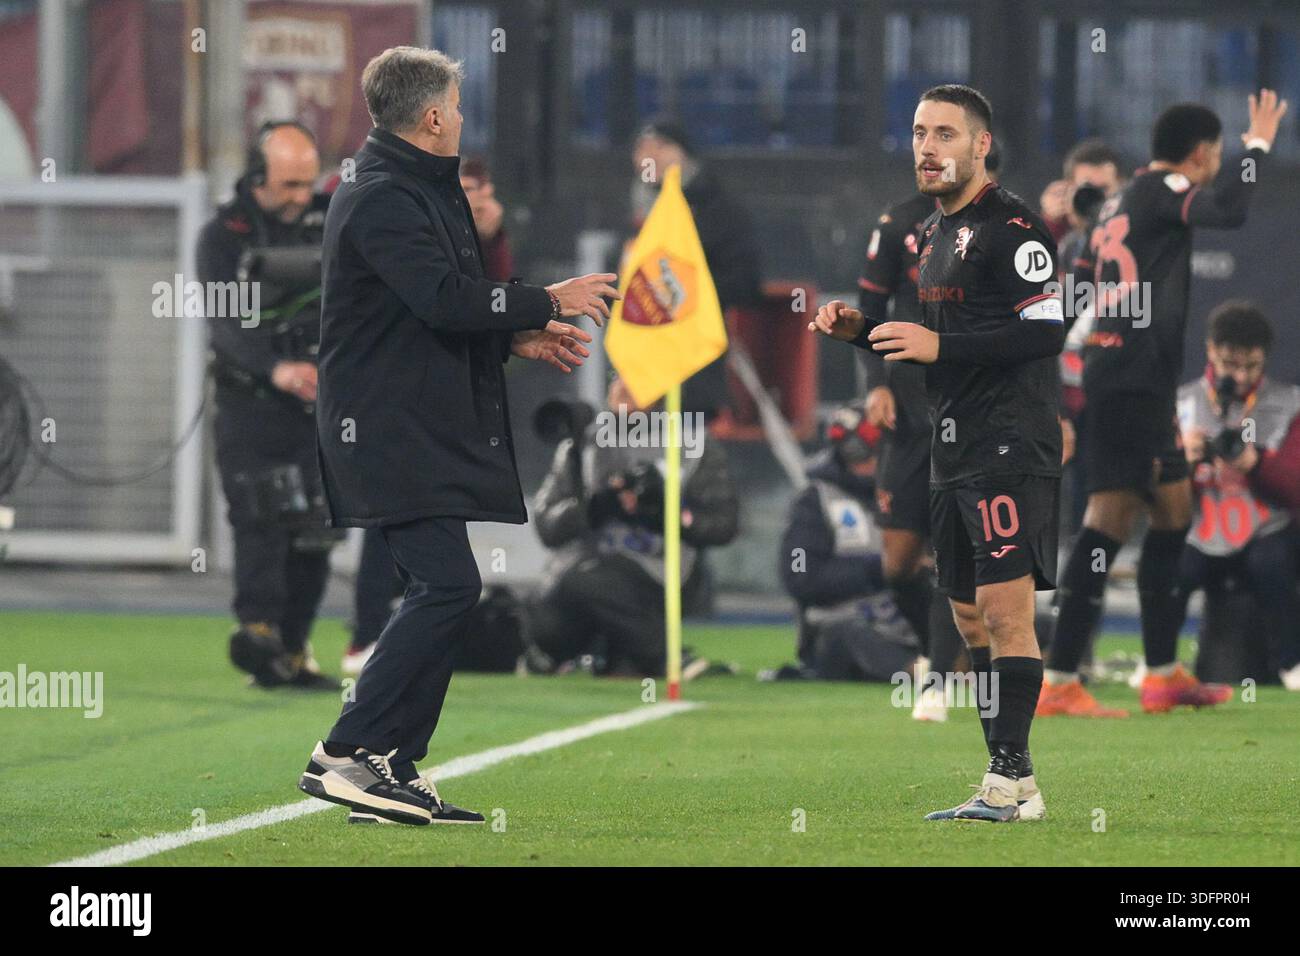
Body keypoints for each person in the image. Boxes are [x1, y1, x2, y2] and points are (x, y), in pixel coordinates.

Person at [296, 46, 619, 826]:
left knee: (449, 587)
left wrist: (512, 339)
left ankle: (390, 765)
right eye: (458, 105)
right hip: (385, 427)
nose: (464, 118)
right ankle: (347, 753)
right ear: (434, 116)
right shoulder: (379, 195)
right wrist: (545, 300)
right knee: (448, 586)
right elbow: (442, 298)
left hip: (411, 421)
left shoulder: (411, 188)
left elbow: (427, 310)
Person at [811, 84, 1065, 823]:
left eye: (945, 134)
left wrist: (940, 343)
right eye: (920, 132)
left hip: (1009, 438)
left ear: (981, 145)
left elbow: (1046, 330)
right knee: (966, 616)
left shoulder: (1014, 227)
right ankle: (1014, 786)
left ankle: (1007, 780)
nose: (928, 147)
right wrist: (862, 332)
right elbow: (933, 349)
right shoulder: (931, 233)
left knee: (1004, 609)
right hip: (948, 440)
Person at [1038, 90, 1289, 717]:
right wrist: (1258, 144)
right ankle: (1058, 677)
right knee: (1105, 524)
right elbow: (1229, 208)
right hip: (1128, 379)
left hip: (1131, 376)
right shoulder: (1162, 187)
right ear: (1202, 154)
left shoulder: (1119, 201)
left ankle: (1159, 671)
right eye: (1220, 153)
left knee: (1175, 514)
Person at [343, 156, 517, 678]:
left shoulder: (475, 232)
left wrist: (490, 240)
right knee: (395, 535)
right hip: (400, 407)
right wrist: (544, 304)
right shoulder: (401, 215)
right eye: (465, 188)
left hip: (450, 405)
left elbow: (492, 302)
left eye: (480, 188)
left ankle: (391, 646)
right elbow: (448, 299)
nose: (472, 198)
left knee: (438, 554)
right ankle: (366, 639)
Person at [854, 146, 1003, 719]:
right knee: (897, 560)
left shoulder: (1002, 230)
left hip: (965, 409)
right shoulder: (898, 223)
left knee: (951, 553)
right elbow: (868, 305)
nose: (931, 156)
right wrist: (875, 383)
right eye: (924, 141)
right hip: (908, 411)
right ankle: (943, 652)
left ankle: (940, 680)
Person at [197, 120, 338, 690]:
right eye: (287, 185)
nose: (300, 197)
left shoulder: (330, 219)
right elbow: (226, 327)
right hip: (251, 403)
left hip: (321, 403)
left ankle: (296, 649)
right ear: (257, 177)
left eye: (307, 184)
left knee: (317, 526)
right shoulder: (222, 236)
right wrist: (278, 368)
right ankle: (258, 635)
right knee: (260, 517)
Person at [522, 377, 739, 677]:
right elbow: (547, 525)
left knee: (591, 580)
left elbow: (723, 525)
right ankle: (599, 653)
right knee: (547, 620)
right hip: (582, 568)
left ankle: (664, 657)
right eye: (619, 379)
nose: (624, 388)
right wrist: (593, 507)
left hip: (661, 570)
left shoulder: (693, 446)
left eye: (638, 378)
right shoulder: (581, 445)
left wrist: (664, 514)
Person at [1174, 302, 1300, 690]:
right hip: (1203, 526)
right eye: (1231, 365)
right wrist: (1183, 460)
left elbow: (1295, 487)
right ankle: (1158, 662)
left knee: (1273, 565)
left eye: (1251, 366)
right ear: (1211, 350)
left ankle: (1292, 663)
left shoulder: (1288, 402)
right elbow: (1157, 491)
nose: (1241, 376)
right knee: (1170, 569)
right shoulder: (1185, 402)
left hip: (1267, 528)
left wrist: (1256, 463)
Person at [774, 405, 921, 683]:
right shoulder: (814, 502)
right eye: (851, 453)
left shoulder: (916, 493)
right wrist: (881, 569)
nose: (861, 462)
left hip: (912, 617)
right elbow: (800, 577)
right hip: (842, 623)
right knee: (849, 634)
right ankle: (925, 671)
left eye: (867, 451)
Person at [631, 119, 763, 418]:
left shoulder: (720, 210)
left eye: (662, 147)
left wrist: (683, 293)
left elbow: (746, 284)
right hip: (637, 366)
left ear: (686, 155)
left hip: (699, 369)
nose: (651, 156)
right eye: (643, 148)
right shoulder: (631, 214)